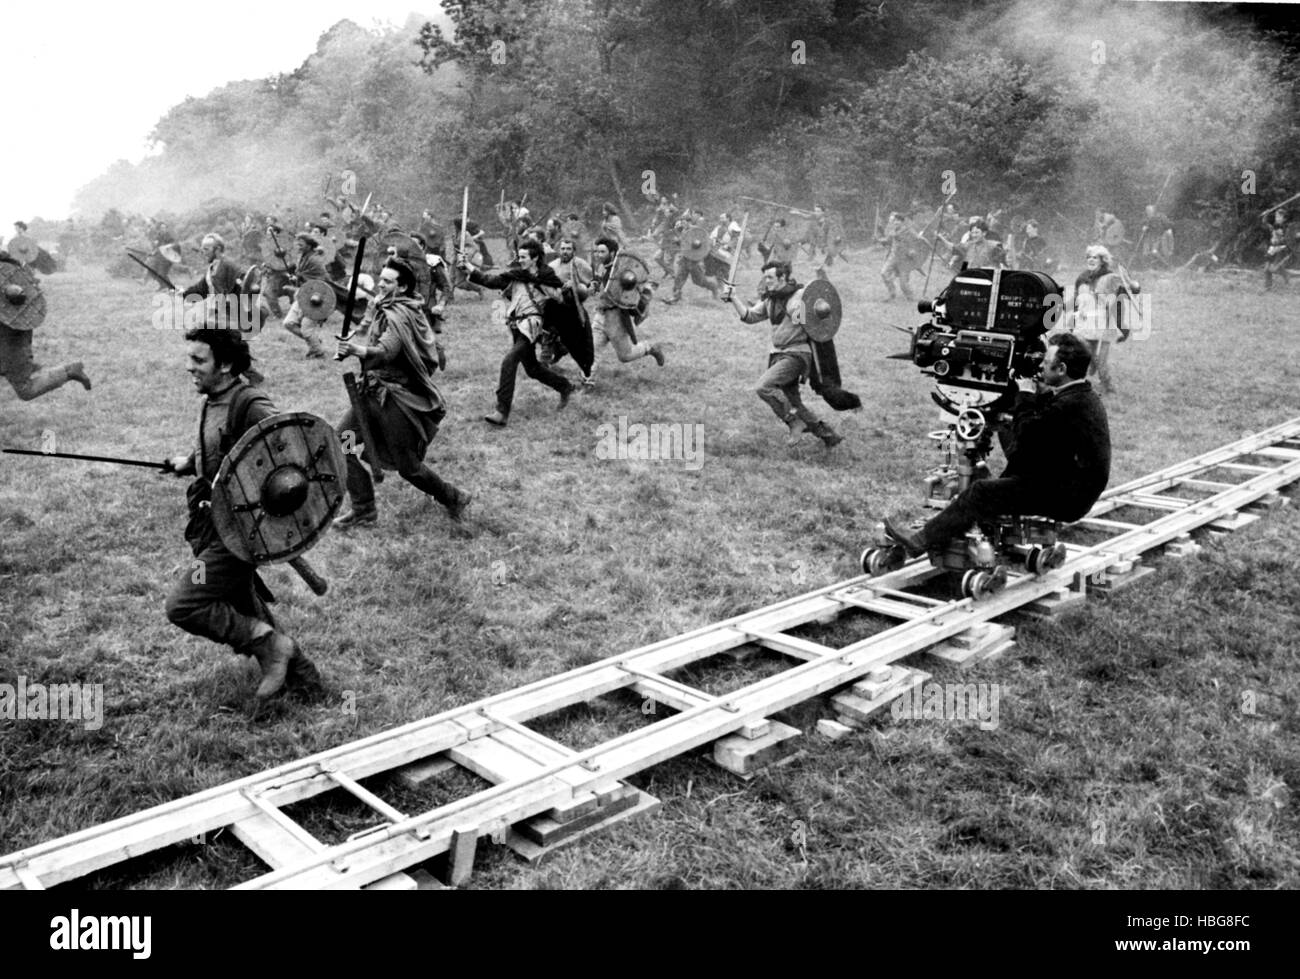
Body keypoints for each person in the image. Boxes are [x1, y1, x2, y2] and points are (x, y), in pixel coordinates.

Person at [163, 327, 321, 700]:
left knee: (183, 605)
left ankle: (270, 646)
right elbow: (227, 447)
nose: (189, 367)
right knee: (241, 601)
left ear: (226, 365)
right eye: (190, 358)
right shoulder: (214, 399)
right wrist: (191, 461)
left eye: (198, 360)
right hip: (212, 523)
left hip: (241, 533)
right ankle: (306, 683)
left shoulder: (250, 404)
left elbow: (292, 451)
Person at [885, 332, 1110, 556]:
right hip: (1068, 482)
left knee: (980, 492)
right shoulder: (1081, 395)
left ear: (1061, 369)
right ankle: (982, 519)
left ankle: (920, 542)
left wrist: (1025, 395)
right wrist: (1038, 397)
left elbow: (1027, 437)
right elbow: (1044, 437)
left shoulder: (1068, 406)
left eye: (1046, 362)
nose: (1040, 366)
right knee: (1003, 464)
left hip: (1066, 497)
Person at [333, 259, 471, 527]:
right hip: (369, 395)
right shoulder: (383, 307)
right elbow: (369, 332)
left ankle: (453, 497)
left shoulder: (402, 314)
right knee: (341, 444)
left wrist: (356, 350)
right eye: (380, 279)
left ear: (403, 286)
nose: (380, 285)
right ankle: (363, 509)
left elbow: (388, 350)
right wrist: (354, 340)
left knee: (408, 467)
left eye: (387, 281)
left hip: (394, 401)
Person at [723, 260, 843, 448]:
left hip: (796, 354)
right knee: (794, 402)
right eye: (765, 277)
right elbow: (749, 316)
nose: (766, 281)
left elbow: (817, 308)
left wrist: (804, 310)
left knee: (763, 387)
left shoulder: (800, 296)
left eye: (770, 277)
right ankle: (828, 435)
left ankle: (794, 422)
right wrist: (733, 298)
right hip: (778, 355)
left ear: (783, 277)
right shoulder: (771, 300)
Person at [461, 238, 576, 426]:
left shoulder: (546, 278)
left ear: (535, 258)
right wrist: (468, 266)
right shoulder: (516, 275)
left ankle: (501, 411)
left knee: (509, 361)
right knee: (532, 369)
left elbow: (562, 300)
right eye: (519, 256)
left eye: (523, 257)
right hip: (516, 325)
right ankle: (564, 386)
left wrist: (567, 290)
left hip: (532, 325)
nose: (519, 260)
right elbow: (490, 281)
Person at [1, 251, 92, 400]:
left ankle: (69, 371)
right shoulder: (12, 269)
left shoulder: (15, 307)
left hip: (11, 345)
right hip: (13, 340)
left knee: (26, 390)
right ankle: (32, 367)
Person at [587, 236, 665, 380]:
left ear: (612, 253)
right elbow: (598, 282)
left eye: (602, 252)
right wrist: (593, 285)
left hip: (616, 318)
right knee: (592, 351)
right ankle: (587, 381)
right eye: (597, 252)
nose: (598, 255)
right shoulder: (601, 266)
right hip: (600, 314)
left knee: (625, 355)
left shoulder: (623, 272)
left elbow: (632, 293)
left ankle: (650, 348)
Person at [1065, 244, 1129, 393]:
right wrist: (1072, 319)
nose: (1091, 260)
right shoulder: (1082, 278)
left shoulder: (1111, 278)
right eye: (1089, 257)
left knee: (1101, 361)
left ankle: (1108, 385)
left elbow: (1118, 304)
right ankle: (1079, 384)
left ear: (1102, 260)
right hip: (1085, 323)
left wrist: (1123, 327)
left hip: (1104, 325)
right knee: (1084, 353)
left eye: (1095, 257)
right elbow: (1077, 300)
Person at [280, 233, 331, 358]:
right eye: (297, 244)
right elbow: (303, 276)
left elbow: (322, 280)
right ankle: (315, 342)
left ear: (309, 245)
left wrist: (301, 278)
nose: (298, 246)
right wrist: (296, 279)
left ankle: (318, 352)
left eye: (301, 244)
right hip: (302, 295)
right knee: (289, 323)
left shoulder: (315, 260)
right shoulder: (302, 258)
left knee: (307, 330)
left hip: (316, 298)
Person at [878, 211, 927, 300]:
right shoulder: (892, 231)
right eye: (894, 221)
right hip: (893, 257)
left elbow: (918, 240)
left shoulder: (909, 230)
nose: (896, 222)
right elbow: (888, 241)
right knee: (884, 273)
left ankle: (910, 296)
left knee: (903, 283)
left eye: (898, 221)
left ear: (902, 222)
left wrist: (914, 249)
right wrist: (879, 240)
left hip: (905, 260)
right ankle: (892, 293)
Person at [1261, 210, 1293, 291]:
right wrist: (1265, 215)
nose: (1277, 218)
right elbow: (1265, 223)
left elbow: (1284, 236)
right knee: (1266, 269)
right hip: (1272, 248)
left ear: (1284, 219)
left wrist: (1277, 234)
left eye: (1279, 217)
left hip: (1281, 249)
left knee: (1273, 269)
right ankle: (1268, 287)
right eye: (1276, 216)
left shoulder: (1285, 227)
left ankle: (1286, 275)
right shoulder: (1275, 225)